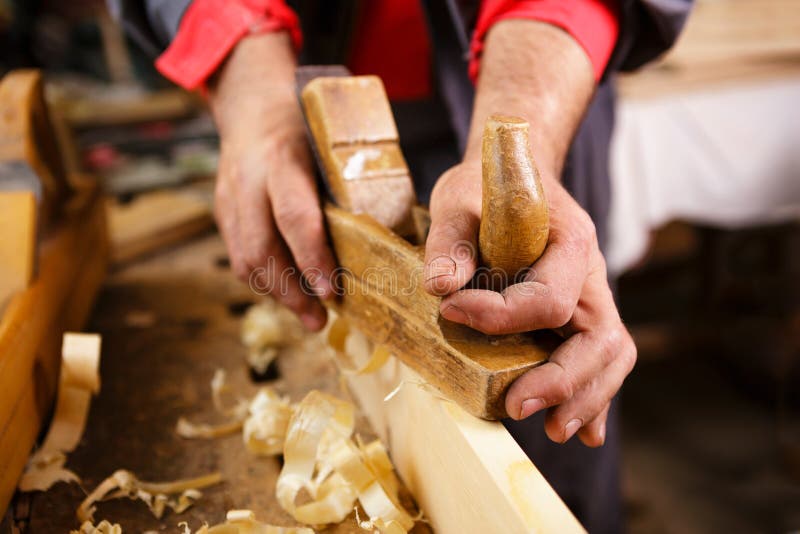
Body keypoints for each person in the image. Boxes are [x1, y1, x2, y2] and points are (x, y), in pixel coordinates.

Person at [109, 1, 693, 531]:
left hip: (537, 76)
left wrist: (528, 132)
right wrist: (251, 88)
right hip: (299, 85)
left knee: (547, 403)